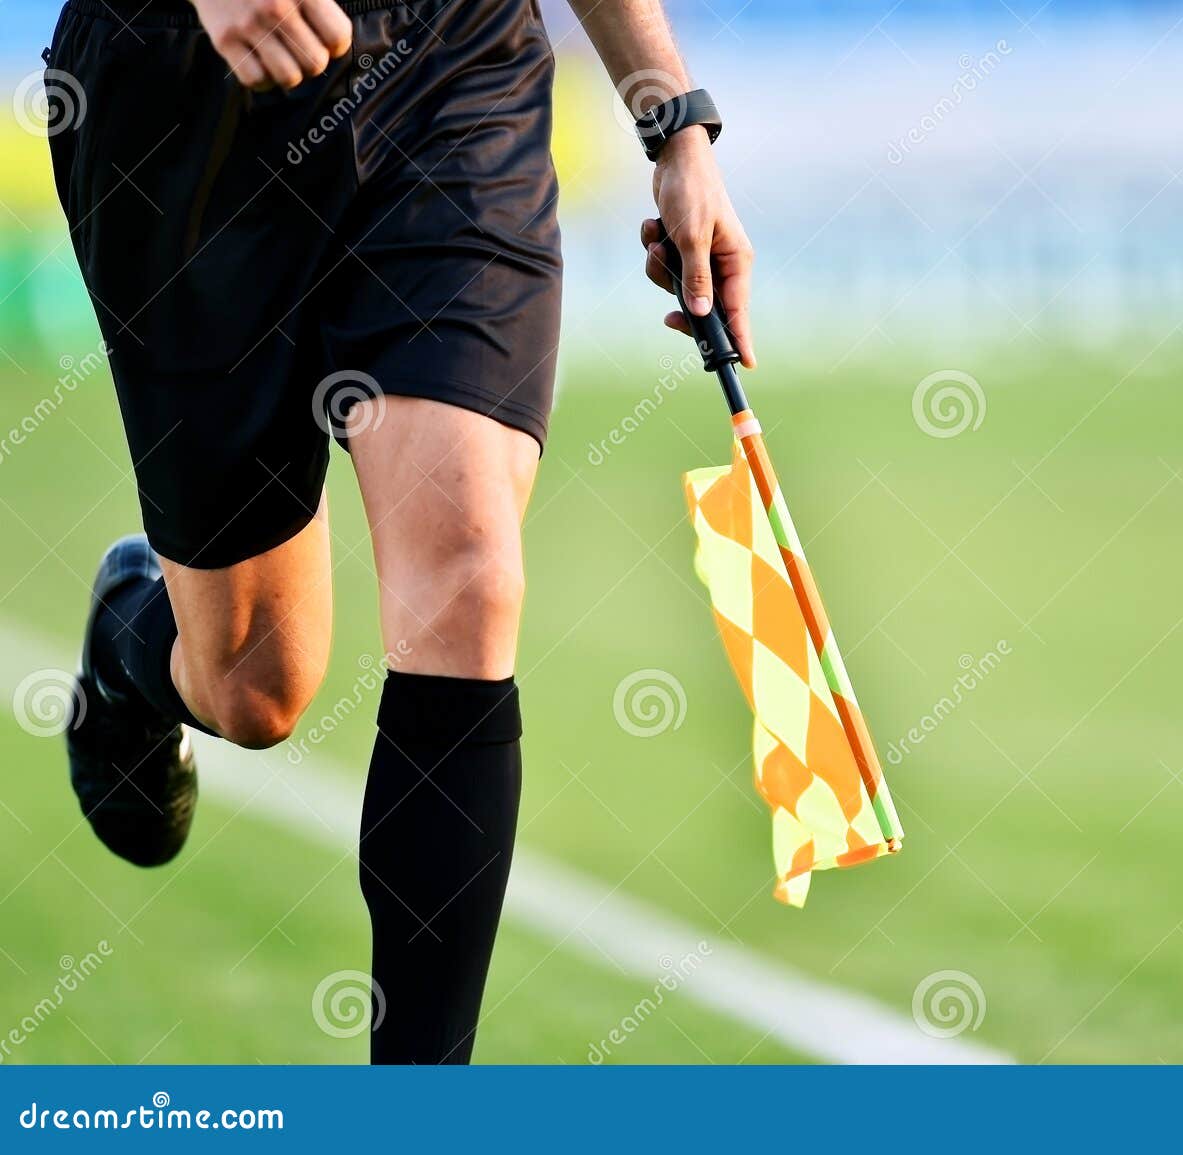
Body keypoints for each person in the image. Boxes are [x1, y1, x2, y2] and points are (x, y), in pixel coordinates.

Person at [45, 0, 754, 1064]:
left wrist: (675, 125)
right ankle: (131, 642)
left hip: (449, 69)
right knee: (254, 687)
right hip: (185, 90)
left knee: (472, 578)